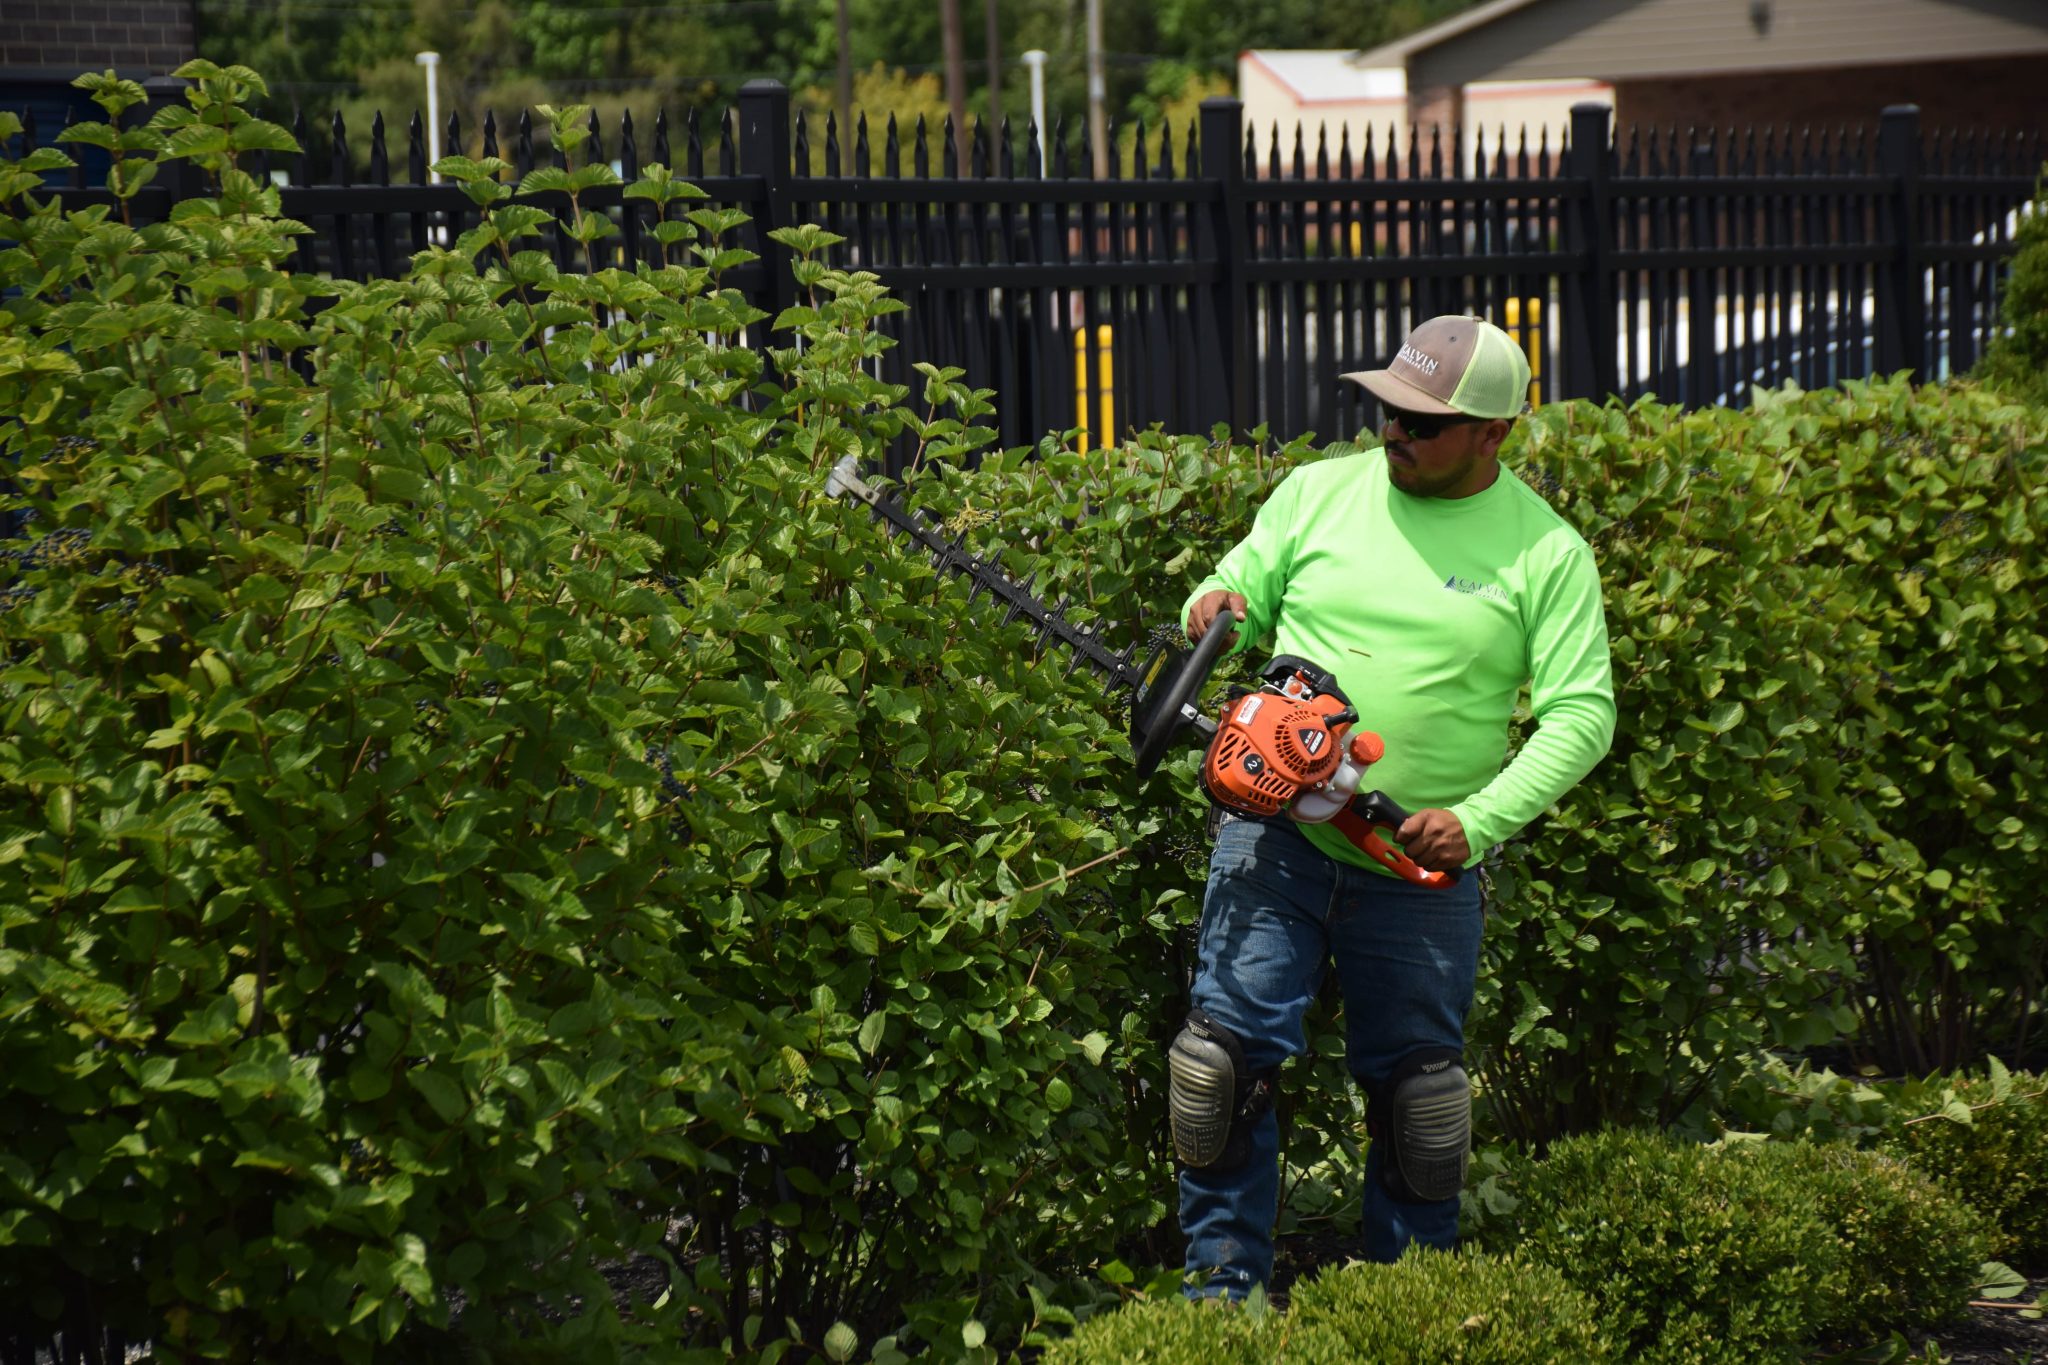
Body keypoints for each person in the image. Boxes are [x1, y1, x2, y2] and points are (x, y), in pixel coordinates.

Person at [1172, 314, 1616, 1298]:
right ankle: (1215, 1313)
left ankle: (1403, 1315)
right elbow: (1241, 576)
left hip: (1419, 872)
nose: (1392, 434)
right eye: (1385, 410)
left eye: (1420, 423)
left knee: (1421, 1107)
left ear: (1493, 433)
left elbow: (1582, 716)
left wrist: (1480, 819)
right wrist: (1213, 601)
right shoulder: (1317, 493)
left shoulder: (1544, 554)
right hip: (1273, 839)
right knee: (1215, 1072)